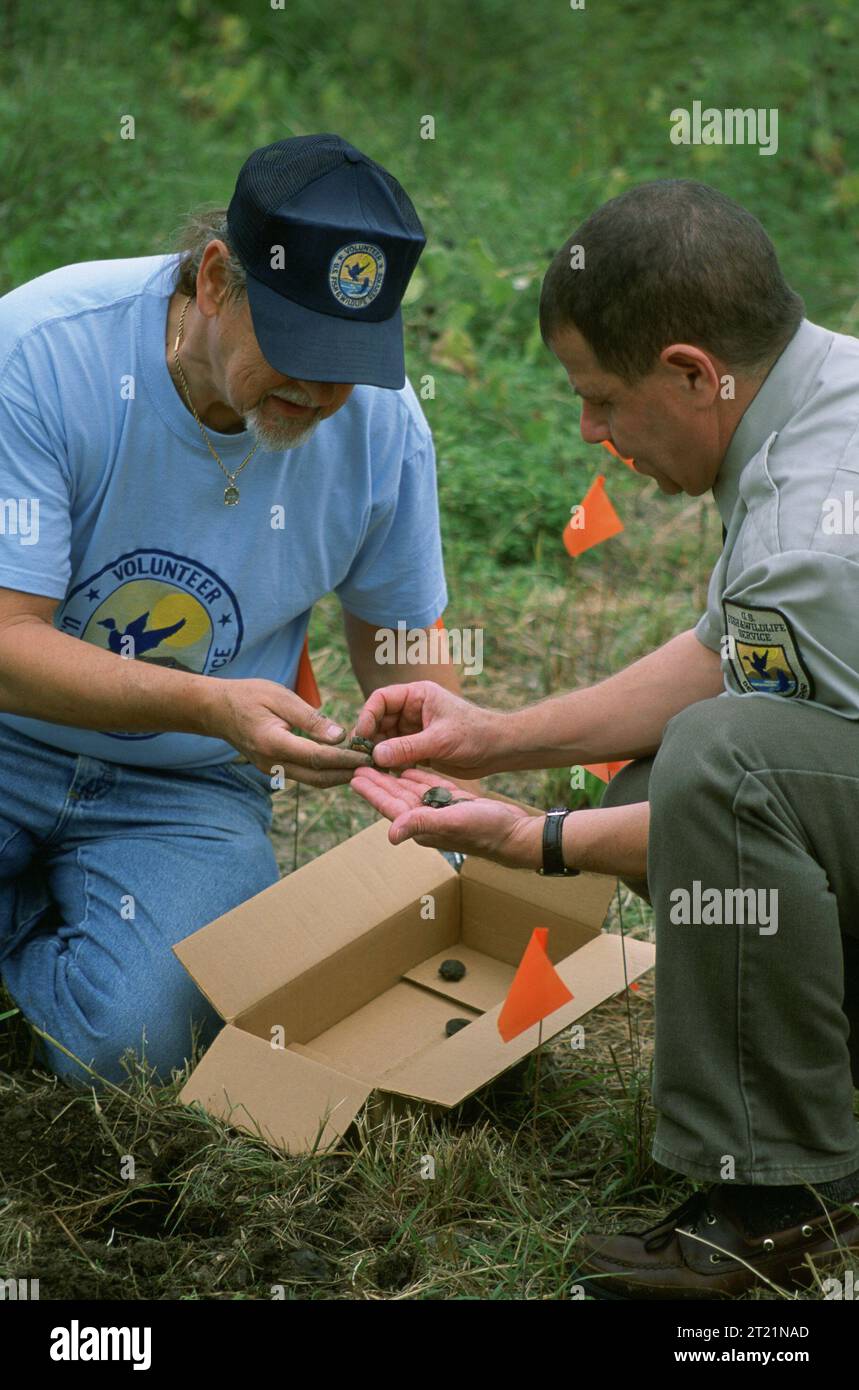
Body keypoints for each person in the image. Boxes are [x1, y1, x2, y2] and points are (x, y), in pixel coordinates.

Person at [350, 179, 859, 1299]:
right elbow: (713, 653)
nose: (589, 433)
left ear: (687, 371)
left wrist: (534, 838)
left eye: (601, 400)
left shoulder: (810, 531)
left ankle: (778, 1209)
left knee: (716, 762)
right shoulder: (823, 395)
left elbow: (750, 783)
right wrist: (489, 738)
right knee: (688, 760)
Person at [0, 134, 459, 1087]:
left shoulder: (382, 428)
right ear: (216, 280)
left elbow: (403, 642)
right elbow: (8, 646)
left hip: (184, 790)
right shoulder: (43, 353)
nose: (323, 395)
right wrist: (212, 704)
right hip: (14, 739)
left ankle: (73, 925)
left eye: (351, 362)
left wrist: (434, 772)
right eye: (296, 352)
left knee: (134, 1051)